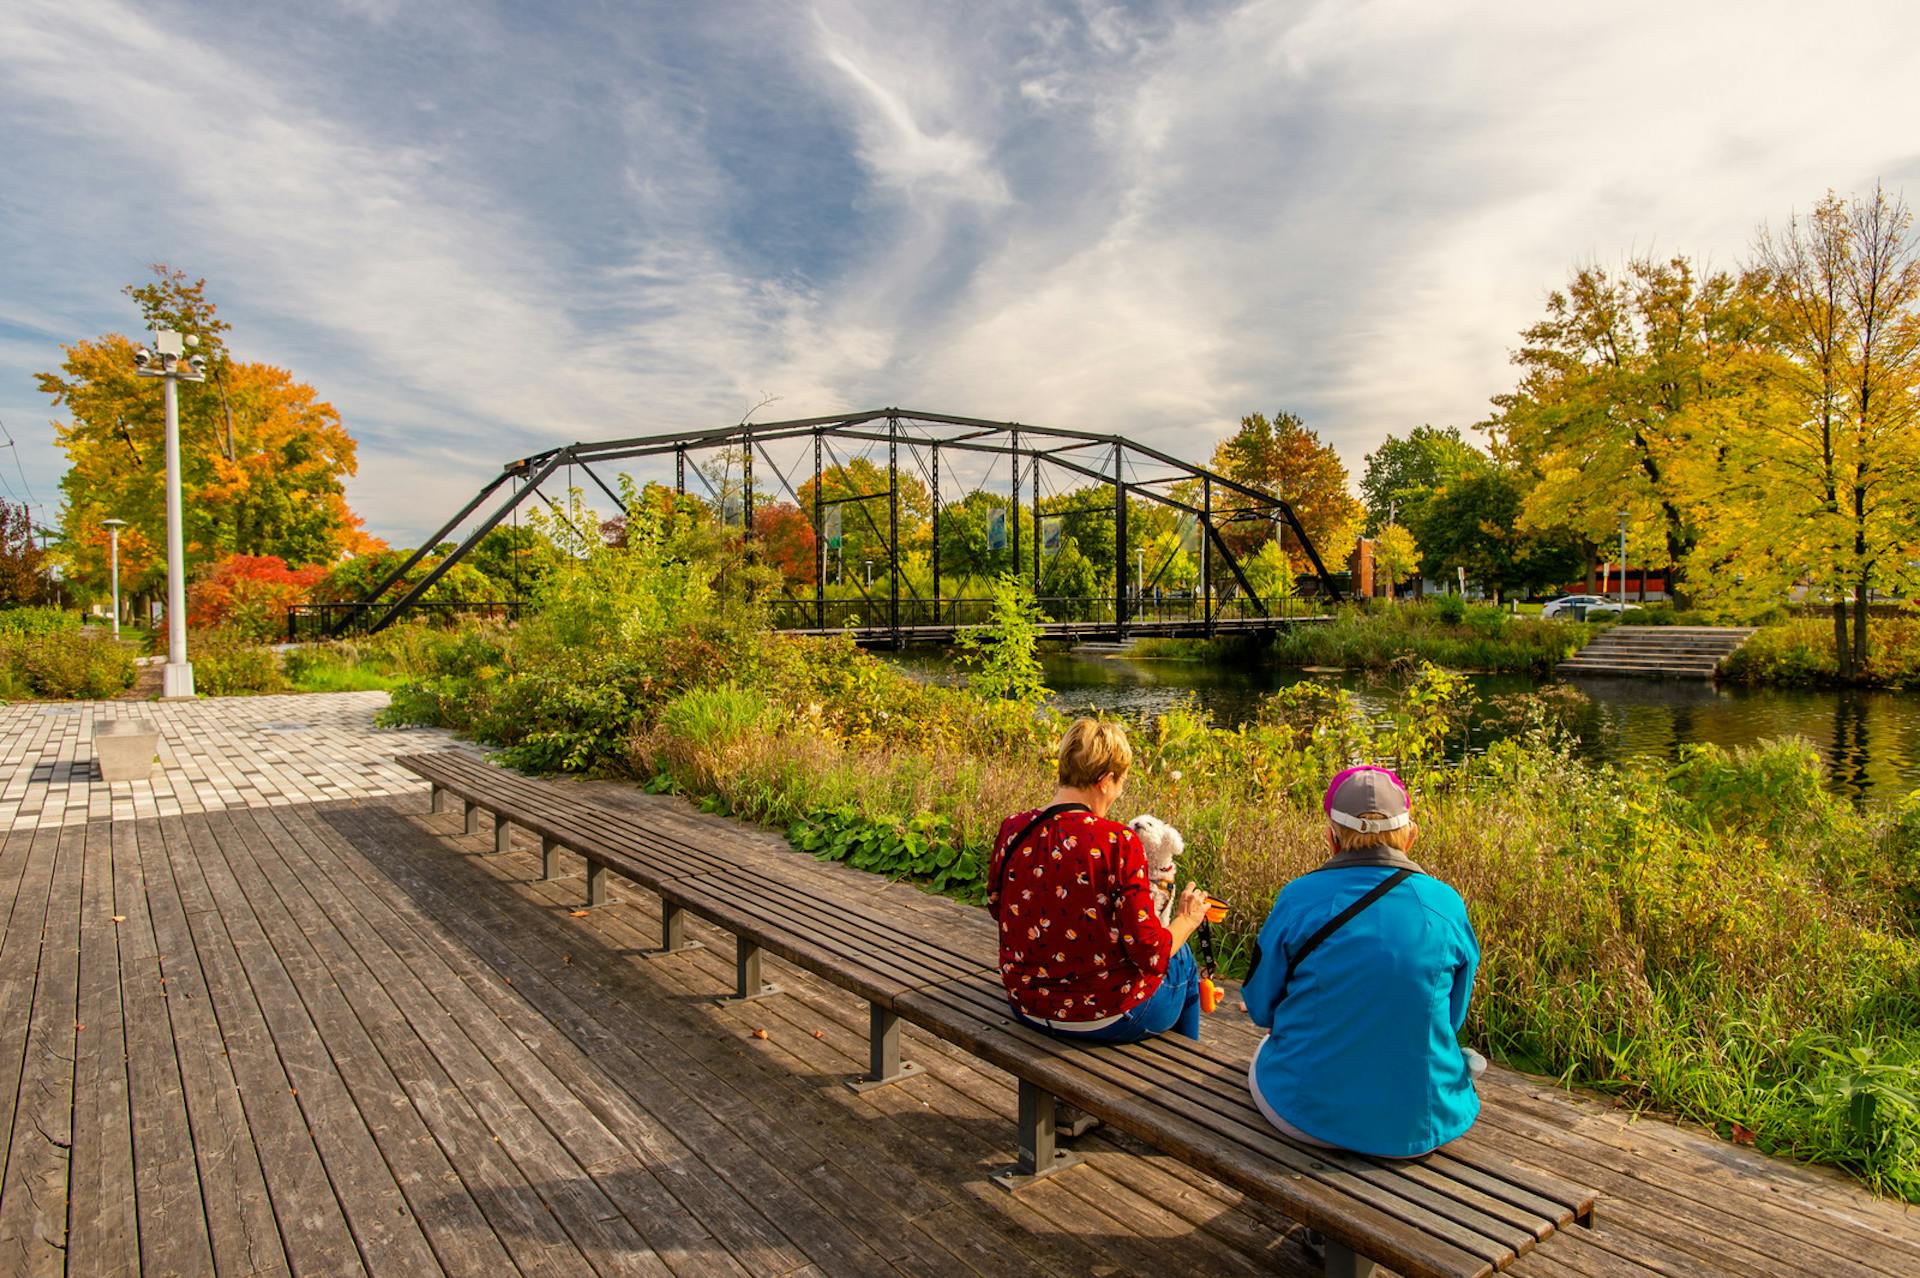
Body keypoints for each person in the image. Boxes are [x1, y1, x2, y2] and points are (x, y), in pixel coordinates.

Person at [1241, 765, 1484, 1158]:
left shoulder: (1298, 897)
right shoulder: (1446, 904)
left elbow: (1259, 1007)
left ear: (1331, 839)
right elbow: (1452, 1019)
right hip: (1422, 1123)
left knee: (1266, 1050)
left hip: (1304, 1115)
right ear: (1411, 836)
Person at [988, 717, 1211, 1043]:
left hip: (1026, 1003)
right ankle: (1183, 1079)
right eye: (1121, 782)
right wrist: (1188, 919)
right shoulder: (1117, 842)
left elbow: (998, 907)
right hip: (1105, 1015)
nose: (1119, 792)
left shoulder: (1013, 829)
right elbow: (1150, 953)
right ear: (1105, 781)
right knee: (1181, 959)